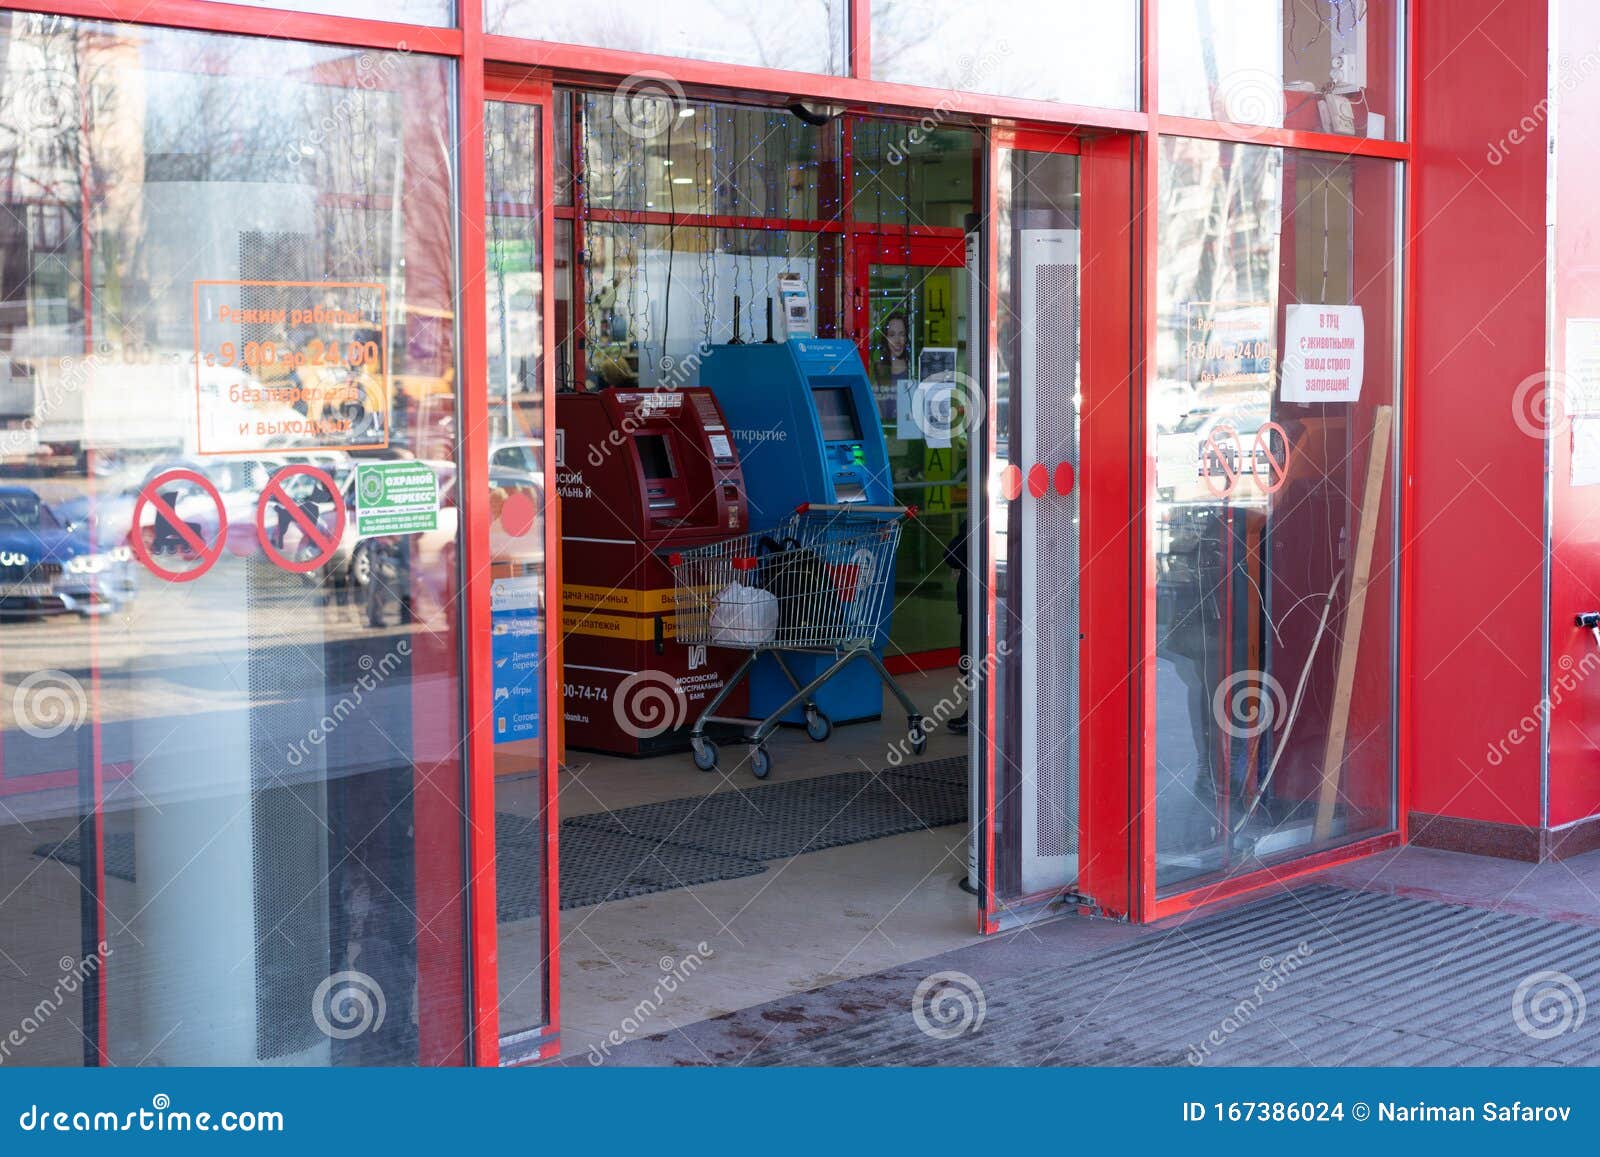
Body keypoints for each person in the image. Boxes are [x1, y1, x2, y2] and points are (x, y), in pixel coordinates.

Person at [944, 514, 971, 733]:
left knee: (971, 660)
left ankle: (975, 713)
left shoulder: (978, 519)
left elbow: (952, 555)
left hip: (975, 606)